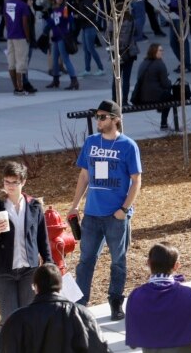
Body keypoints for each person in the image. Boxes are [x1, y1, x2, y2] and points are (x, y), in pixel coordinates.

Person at [69, 99, 142, 320]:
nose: (98, 121)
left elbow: (136, 181)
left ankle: (116, 302)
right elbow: (84, 175)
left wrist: (124, 209)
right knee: (85, 261)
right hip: (92, 214)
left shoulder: (128, 146)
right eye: (97, 117)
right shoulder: (91, 142)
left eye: (102, 117)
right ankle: (80, 305)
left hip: (116, 216)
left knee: (118, 261)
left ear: (115, 119)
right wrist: (75, 205)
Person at [0, 161, 53, 326]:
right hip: (4, 271)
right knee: (9, 319)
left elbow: (42, 238)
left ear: (23, 182)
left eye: (14, 182)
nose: (9, 186)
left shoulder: (34, 206)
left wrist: (49, 264)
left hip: (29, 270)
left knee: (28, 316)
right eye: (6, 182)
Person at [0, 264, 109, 353]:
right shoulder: (81, 315)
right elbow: (99, 348)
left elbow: (5, 347)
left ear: (36, 287)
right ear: (61, 286)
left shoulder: (16, 320)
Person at [124, 243, 191, 353]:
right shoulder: (188, 294)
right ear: (176, 265)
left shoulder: (136, 296)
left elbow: (133, 342)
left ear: (148, 263)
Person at [134, 44, 174, 130]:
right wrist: (169, 82)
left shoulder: (143, 63)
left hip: (141, 97)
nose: (162, 52)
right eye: (160, 50)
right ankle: (164, 124)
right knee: (171, 97)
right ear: (154, 52)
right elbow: (166, 84)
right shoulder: (160, 64)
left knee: (164, 93)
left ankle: (160, 108)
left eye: (162, 50)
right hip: (154, 97)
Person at [5, 0, 34, 96]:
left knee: (11, 63)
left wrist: (9, 30)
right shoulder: (23, 5)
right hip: (20, 37)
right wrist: (28, 37)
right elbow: (24, 23)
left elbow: (6, 19)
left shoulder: (7, 3)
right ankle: (21, 89)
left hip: (10, 36)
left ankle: (16, 87)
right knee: (21, 64)